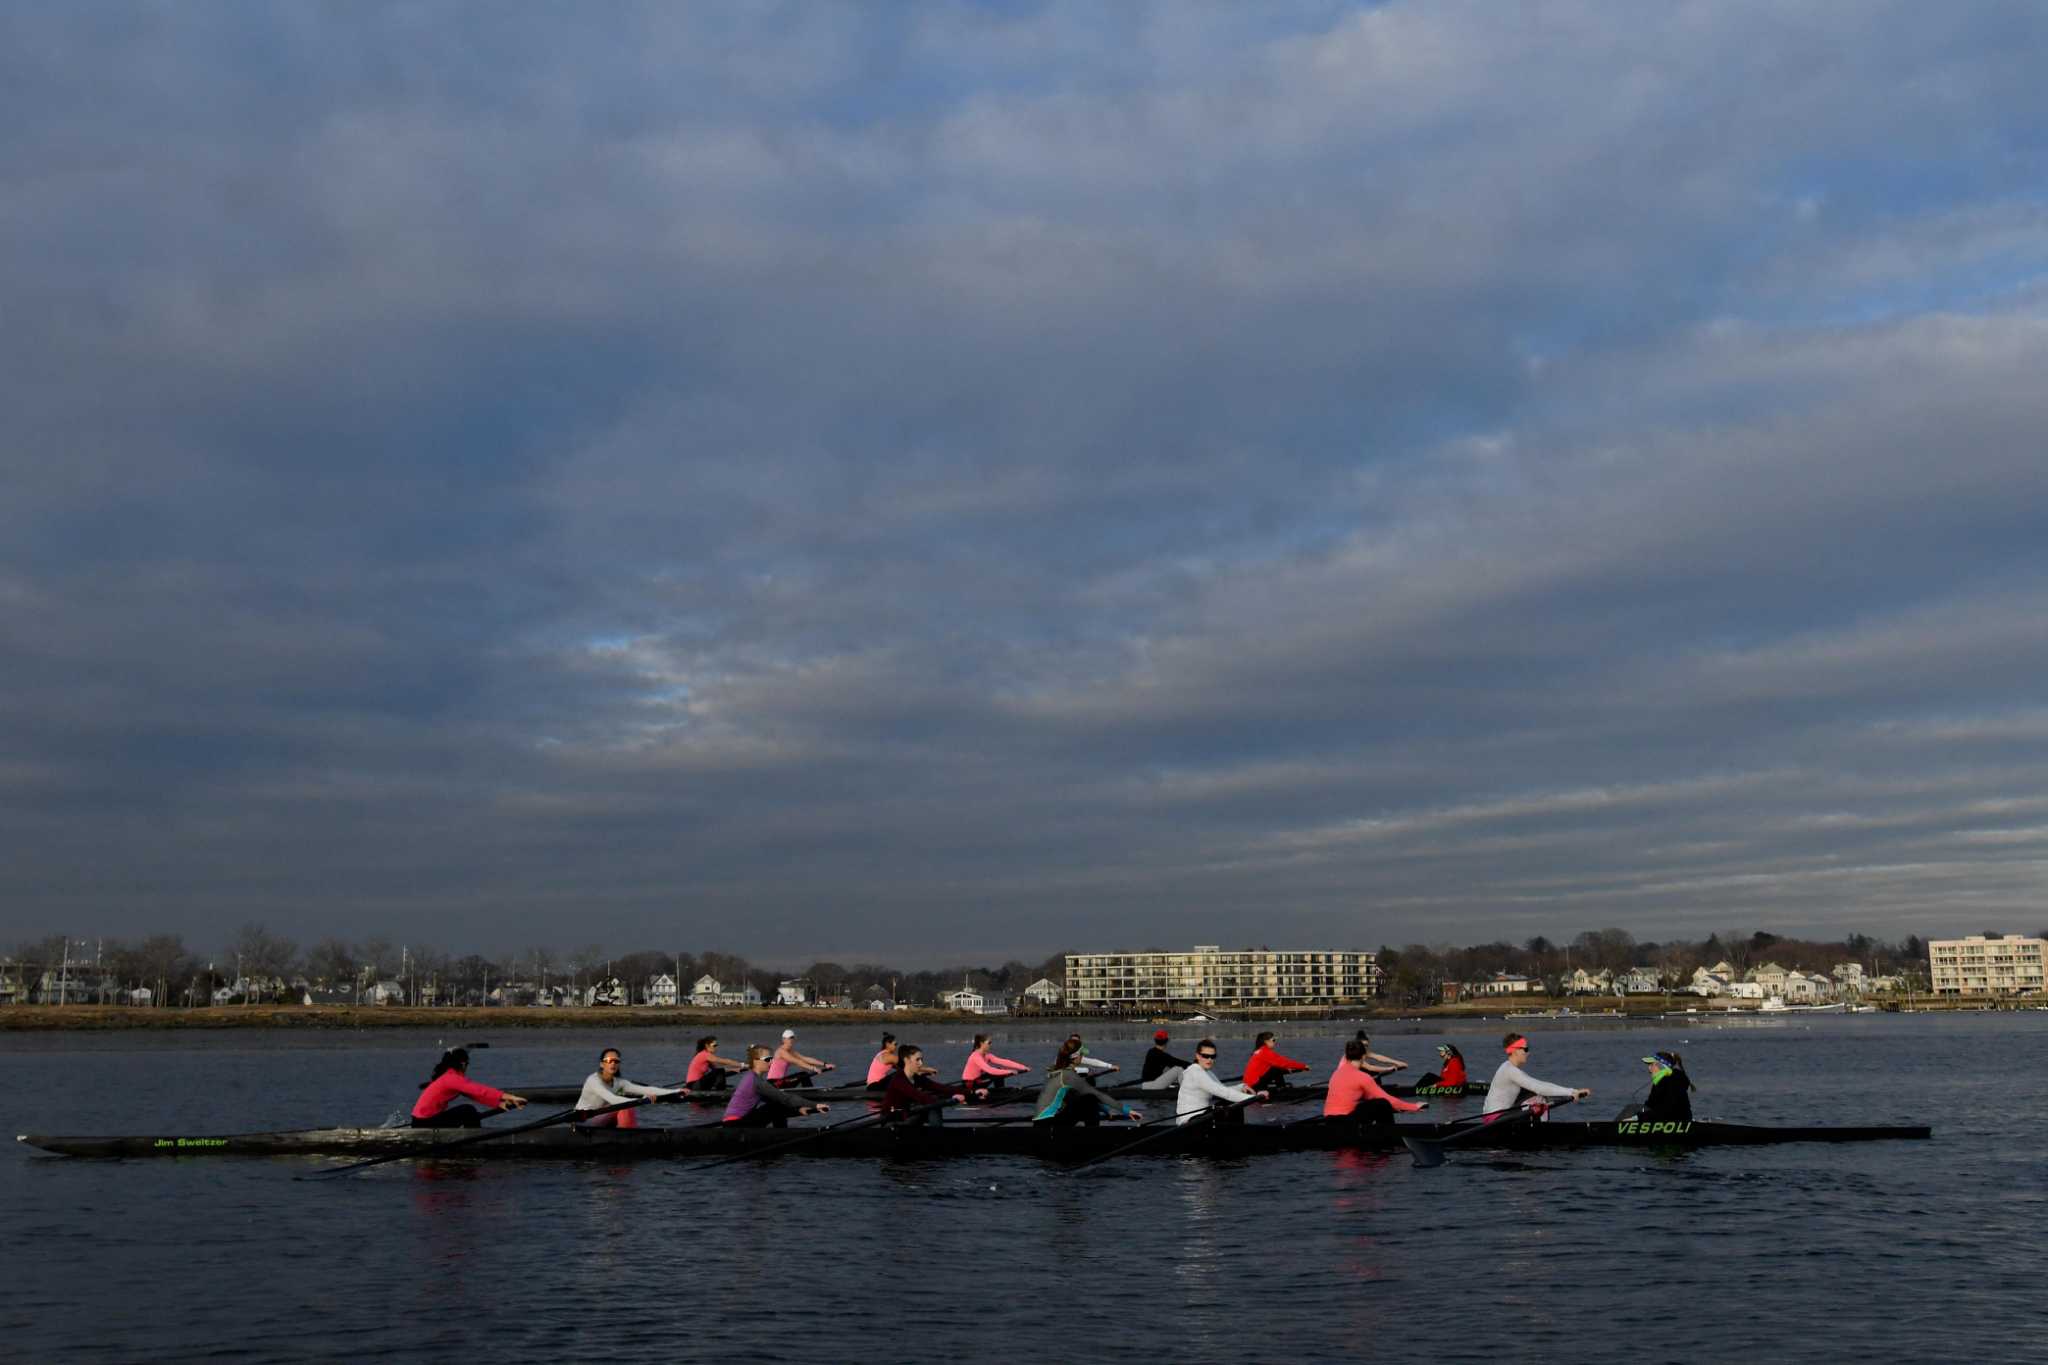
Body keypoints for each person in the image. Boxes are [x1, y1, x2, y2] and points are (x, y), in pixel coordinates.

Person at [411, 1048, 528, 1129]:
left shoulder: (448, 1076)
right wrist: (511, 1096)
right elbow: (479, 1090)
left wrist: (500, 1103)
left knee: (468, 1111)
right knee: (468, 1110)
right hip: (425, 1121)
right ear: (462, 1064)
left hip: (420, 1121)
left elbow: (474, 1095)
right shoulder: (451, 1078)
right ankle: (476, 1137)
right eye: (467, 1064)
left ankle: (472, 1133)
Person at [576, 1048, 687, 1128]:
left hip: (601, 1117)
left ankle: (627, 1134)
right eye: (609, 1060)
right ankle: (627, 1136)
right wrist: (641, 1101)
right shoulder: (593, 1080)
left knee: (626, 1106)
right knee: (625, 1107)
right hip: (583, 1120)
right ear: (602, 1064)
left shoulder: (619, 1082)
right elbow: (612, 1099)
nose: (613, 1064)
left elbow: (646, 1090)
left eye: (616, 1061)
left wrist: (676, 1090)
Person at [723, 1045, 831, 1128]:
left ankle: (780, 1133)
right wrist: (814, 1105)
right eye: (767, 1059)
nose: (771, 1062)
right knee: (776, 1106)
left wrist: (799, 1109)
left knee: (775, 1104)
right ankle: (782, 1134)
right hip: (735, 1125)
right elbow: (785, 1098)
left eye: (771, 1058)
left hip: (738, 1122)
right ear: (756, 1060)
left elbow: (775, 1100)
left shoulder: (751, 1076)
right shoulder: (755, 1080)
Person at [1324, 1039, 1426, 1126]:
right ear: (1364, 1056)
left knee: (1371, 1104)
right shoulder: (1363, 1077)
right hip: (1347, 1122)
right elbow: (1386, 1098)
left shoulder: (1335, 1074)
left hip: (1329, 1119)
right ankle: (1388, 1134)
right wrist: (1413, 1107)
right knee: (1382, 1103)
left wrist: (1397, 1107)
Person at [1484, 1034, 1590, 1116]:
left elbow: (1541, 1085)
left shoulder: (1508, 1068)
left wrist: (1571, 1092)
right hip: (1496, 1119)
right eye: (1525, 1049)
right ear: (1515, 1051)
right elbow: (1539, 1088)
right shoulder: (1510, 1071)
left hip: (1497, 1116)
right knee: (1538, 1098)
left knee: (1534, 1094)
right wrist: (1571, 1092)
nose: (1528, 1053)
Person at [1033, 1051, 1142, 1128]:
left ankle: (1092, 1128)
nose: (1083, 1058)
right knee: (1089, 1098)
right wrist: (1127, 1111)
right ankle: (1093, 1133)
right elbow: (1096, 1096)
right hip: (1049, 1123)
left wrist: (1105, 1110)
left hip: (1042, 1120)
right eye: (1081, 1055)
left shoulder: (1059, 1071)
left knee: (1086, 1099)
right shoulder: (1068, 1076)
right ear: (1075, 1058)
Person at [878, 1044, 973, 1126]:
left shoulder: (916, 1078)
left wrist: (971, 1092)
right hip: (891, 1121)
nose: (921, 1063)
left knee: (932, 1106)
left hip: (904, 1116)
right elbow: (920, 1096)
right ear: (906, 1060)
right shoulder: (899, 1079)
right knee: (932, 1105)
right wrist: (951, 1100)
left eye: (921, 1060)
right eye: (917, 1060)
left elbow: (940, 1087)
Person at [1176, 1038, 1264, 1126]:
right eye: (1205, 1056)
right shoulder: (1196, 1072)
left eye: (1213, 1056)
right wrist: (1254, 1098)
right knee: (1229, 1105)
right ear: (1198, 1056)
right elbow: (1224, 1093)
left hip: (1201, 1117)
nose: (1209, 1059)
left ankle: (1237, 1131)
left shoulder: (1207, 1072)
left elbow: (1222, 1089)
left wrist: (1241, 1087)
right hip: (1188, 1122)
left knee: (1230, 1104)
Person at [1241, 1032, 1310, 1092]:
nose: (1275, 1042)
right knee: (1276, 1069)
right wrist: (1303, 1066)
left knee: (1276, 1068)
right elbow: (1284, 1062)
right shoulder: (1265, 1052)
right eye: (1273, 1040)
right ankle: (1282, 1089)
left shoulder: (1259, 1051)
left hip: (1249, 1083)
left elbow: (1280, 1063)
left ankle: (1281, 1088)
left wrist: (1288, 1068)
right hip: (1254, 1085)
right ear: (1266, 1041)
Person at [1638, 1051, 1694, 1121]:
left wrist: (1639, 1118)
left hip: (1673, 1122)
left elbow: (1666, 1111)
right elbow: (1650, 1106)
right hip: (1675, 1121)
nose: (1649, 1069)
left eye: (1651, 1065)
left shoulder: (1669, 1083)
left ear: (1661, 1066)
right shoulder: (1664, 1081)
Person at [767, 1029, 834, 1088]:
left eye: (792, 1038)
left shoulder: (790, 1051)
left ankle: (809, 1093)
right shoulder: (781, 1051)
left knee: (803, 1074)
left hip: (780, 1081)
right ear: (783, 1039)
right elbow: (797, 1062)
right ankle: (811, 1095)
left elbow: (805, 1059)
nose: (791, 1040)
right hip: (773, 1083)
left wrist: (825, 1064)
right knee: (803, 1075)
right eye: (789, 1038)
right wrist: (813, 1068)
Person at [961, 1034, 1031, 1090]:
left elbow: (1005, 1062)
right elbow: (990, 1070)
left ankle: (1000, 1090)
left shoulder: (987, 1055)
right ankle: (1000, 1092)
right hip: (969, 1083)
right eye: (989, 1043)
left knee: (1000, 1070)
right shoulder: (976, 1056)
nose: (990, 1045)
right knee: (998, 1072)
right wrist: (1009, 1071)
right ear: (981, 1043)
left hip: (978, 1081)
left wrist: (1023, 1067)